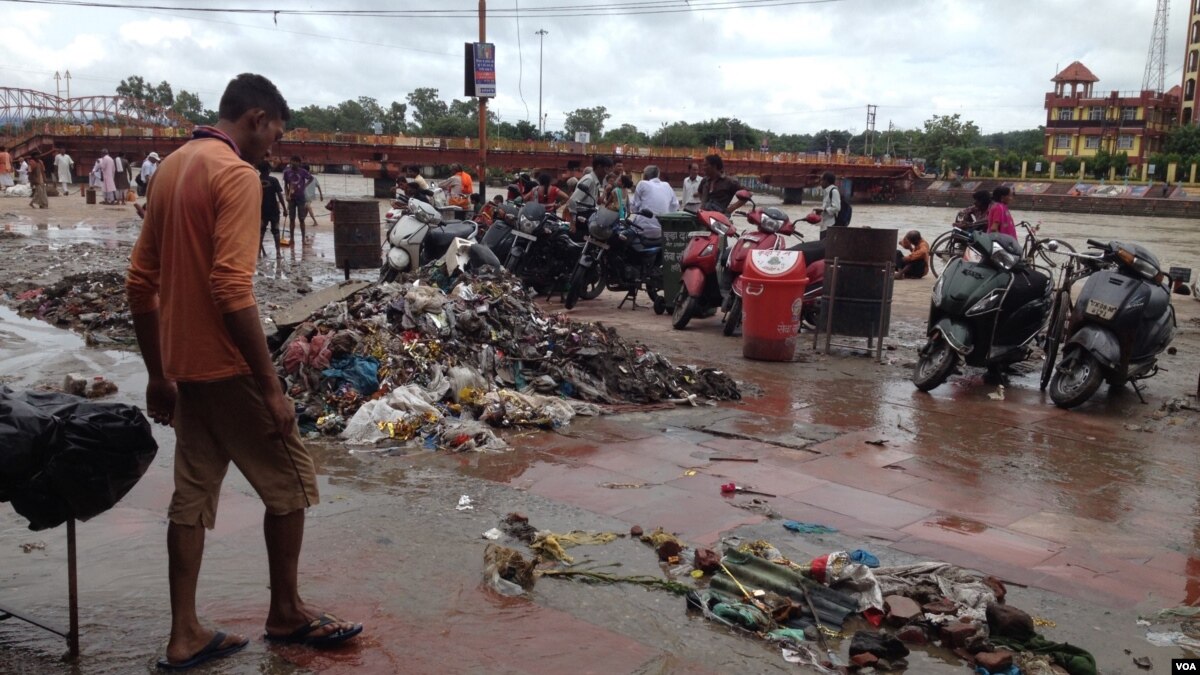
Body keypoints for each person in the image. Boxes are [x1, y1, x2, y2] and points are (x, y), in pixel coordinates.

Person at [125, 73, 362, 671]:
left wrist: (159, 374)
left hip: (185, 368)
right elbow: (232, 288)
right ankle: (286, 611)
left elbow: (139, 282)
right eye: (276, 131)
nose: (274, 147)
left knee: (193, 496)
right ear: (257, 117)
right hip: (229, 367)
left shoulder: (173, 167)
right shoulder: (235, 174)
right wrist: (270, 385)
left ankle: (185, 635)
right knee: (291, 484)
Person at [630, 165, 678, 240]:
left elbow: (634, 206)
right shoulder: (667, 185)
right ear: (658, 175)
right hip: (662, 229)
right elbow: (675, 206)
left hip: (643, 229)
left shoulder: (642, 184)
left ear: (645, 175)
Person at [568, 155, 613, 227]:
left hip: (588, 216)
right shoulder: (589, 180)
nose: (607, 173)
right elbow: (573, 200)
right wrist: (573, 222)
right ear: (599, 167)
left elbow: (596, 201)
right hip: (581, 217)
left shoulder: (595, 181)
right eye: (606, 169)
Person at [283, 155, 314, 245]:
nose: (294, 163)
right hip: (291, 198)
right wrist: (286, 195)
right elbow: (285, 185)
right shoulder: (286, 172)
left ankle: (303, 239)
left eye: (296, 161)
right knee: (291, 219)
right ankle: (292, 238)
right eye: (293, 161)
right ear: (290, 161)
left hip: (301, 198)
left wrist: (305, 186)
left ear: (299, 163)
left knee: (301, 219)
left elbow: (311, 178)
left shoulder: (303, 172)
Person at [259, 160, 286, 259]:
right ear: (269, 170)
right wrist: (284, 208)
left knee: (261, 231)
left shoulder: (256, 179)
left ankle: (258, 253)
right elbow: (279, 195)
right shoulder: (274, 180)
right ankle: (278, 253)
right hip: (274, 210)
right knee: (276, 231)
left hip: (261, 210)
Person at [813, 171, 841, 240]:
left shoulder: (834, 191)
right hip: (824, 225)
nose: (820, 183)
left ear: (826, 181)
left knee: (826, 248)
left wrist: (824, 210)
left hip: (830, 225)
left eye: (821, 180)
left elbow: (837, 208)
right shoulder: (827, 192)